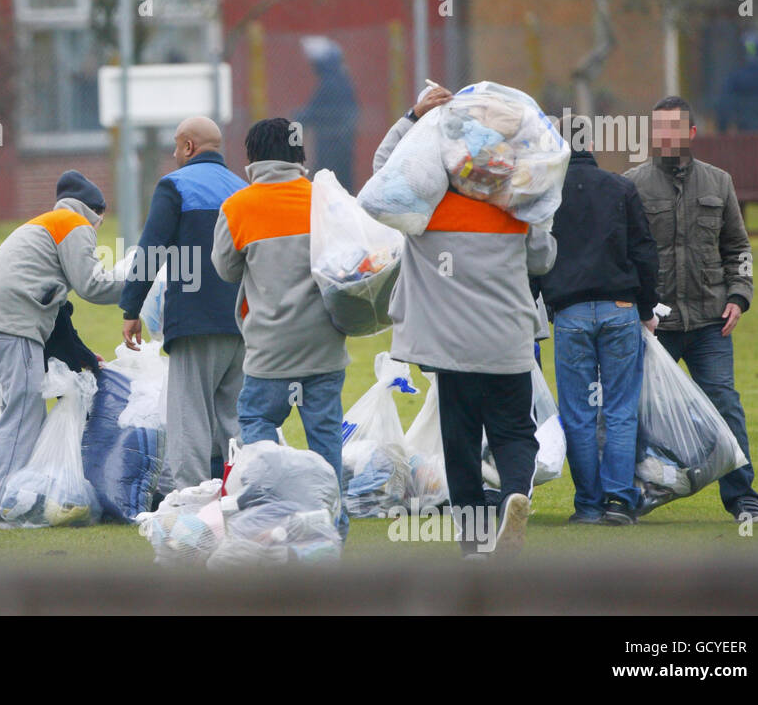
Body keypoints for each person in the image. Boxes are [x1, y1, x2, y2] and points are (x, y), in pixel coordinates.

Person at [365, 93, 557, 559]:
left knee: (461, 443)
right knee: (514, 431)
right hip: (507, 337)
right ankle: (516, 491)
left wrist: (414, 115)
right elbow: (543, 259)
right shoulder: (519, 202)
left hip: (448, 345)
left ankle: (472, 544)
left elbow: (385, 173)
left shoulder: (427, 205)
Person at [626, 96, 758, 524]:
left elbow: (738, 248)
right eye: (659, 129)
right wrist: (637, 308)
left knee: (725, 405)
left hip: (710, 323)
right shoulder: (631, 184)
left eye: (674, 129)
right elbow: (623, 253)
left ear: (689, 134)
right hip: (654, 326)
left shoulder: (719, 183)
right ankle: (634, 497)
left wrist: (739, 296)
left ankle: (744, 501)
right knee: (637, 411)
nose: (666, 137)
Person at [211, 118, 350, 539]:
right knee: (325, 440)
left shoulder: (238, 206)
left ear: (252, 158)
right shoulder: (324, 199)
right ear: (299, 155)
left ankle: (269, 520)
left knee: (257, 430)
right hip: (324, 348)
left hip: (268, 352)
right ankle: (331, 524)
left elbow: (225, 269)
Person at [0, 170, 123, 529]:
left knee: (18, 412)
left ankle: (9, 501)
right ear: (95, 214)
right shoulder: (75, 223)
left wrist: (80, 356)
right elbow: (92, 286)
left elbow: (58, 311)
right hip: (12, 322)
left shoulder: (46, 224)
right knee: (23, 414)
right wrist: (137, 284)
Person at [537, 125, 659, 526]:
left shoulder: (547, 195)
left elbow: (536, 256)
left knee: (578, 412)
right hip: (620, 307)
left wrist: (540, 298)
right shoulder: (620, 188)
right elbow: (643, 251)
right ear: (590, 145)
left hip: (570, 313)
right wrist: (646, 307)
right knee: (621, 409)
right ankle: (620, 502)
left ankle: (588, 504)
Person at [120, 116, 246, 498]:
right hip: (244, 322)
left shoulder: (174, 186)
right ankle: (239, 497)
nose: (174, 154)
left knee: (188, 416)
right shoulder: (242, 189)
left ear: (189, 147)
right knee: (233, 419)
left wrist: (131, 308)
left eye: (176, 146)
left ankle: (191, 507)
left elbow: (151, 248)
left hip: (194, 321)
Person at [294, 37, 360, 192]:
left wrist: (300, 118)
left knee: (330, 178)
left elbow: (316, 109)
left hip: (331, 141)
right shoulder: (340, 80)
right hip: (339, 141)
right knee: (341, 179)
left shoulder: (331, 82)